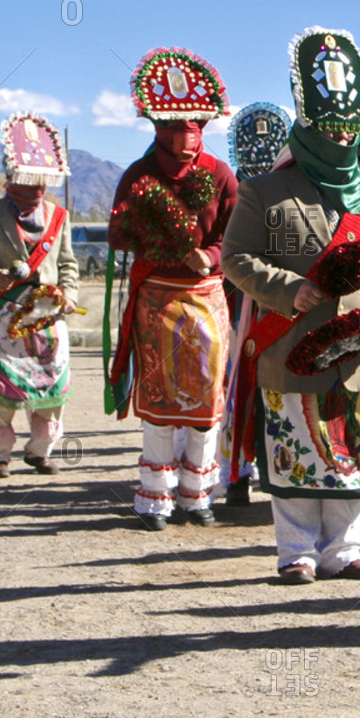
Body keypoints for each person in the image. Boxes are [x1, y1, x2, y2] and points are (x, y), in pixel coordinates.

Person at [223, 26, 360, 583]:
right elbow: (234, 259)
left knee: (351, 447)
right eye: (328, 131)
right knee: (297, 448)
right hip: (289, 343)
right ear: (306, 130)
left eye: (346, 133)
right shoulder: (263, 190)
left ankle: (345, 548)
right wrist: (288, 289)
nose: (338, 142)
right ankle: (297, 552)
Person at [107, 48, 240, 530]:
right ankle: (156, 498)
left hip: (207, 296)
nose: (187, 139)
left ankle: (197, 495)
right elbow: (117, 235)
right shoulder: (138, 177)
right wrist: (150, 235)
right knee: (161, 400)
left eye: (196, 127)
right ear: (158, 128)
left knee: (206, 403)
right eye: (177, 128)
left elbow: (237, 233)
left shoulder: (221, 174)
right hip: (156, 297)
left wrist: (210, 255)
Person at [0, 113, 80, 477]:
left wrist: (69, 293)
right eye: (29, 179)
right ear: (12, 175)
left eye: (41, 181)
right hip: (3, 318)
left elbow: (68, 263)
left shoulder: (58, 216)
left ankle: (40, 449)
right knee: (1, 384)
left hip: (48, 314)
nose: (36, 187)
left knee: (50, 382)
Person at [219, 100, 293, 508]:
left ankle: (266, 466)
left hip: (278, 303)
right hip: (243, 301)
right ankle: (236, 470)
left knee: (268, 386)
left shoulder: (287, 194)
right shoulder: (244, 193)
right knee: (238, 384)